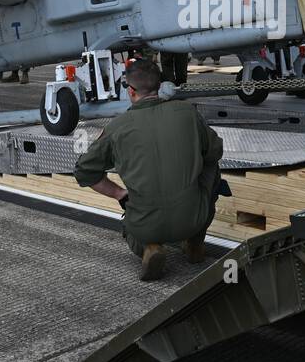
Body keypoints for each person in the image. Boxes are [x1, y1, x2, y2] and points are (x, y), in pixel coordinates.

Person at [74, 59, 223, 281]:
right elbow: (215, 151)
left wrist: (119, 194)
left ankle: (148, 248)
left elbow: (83, 171)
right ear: (160, 85)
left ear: (130, 91)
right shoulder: (187, 113)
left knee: (135, 226)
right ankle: (194, 241)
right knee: (210, 163)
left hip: (145, 227)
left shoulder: (116, 128)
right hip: (194, 218)